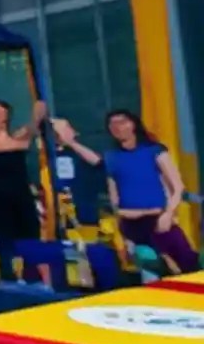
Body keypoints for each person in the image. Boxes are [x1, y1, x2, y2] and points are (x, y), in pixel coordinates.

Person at [53, 111, 199, 274]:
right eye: (112, 124)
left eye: (122, 122)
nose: (117, 127)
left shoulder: (154, 151)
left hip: (158, 219)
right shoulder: (112, 157)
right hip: (130, 223)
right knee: (149, 269)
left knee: (187, 263)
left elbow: (177, 186)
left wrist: (168, 214)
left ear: (133, 125)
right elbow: (104, 173)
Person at [0, 99, 52, 286]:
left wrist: (37, 114)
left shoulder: (18, 138)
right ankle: (9, 280)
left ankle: (38, 281)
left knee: (30, 237)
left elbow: (32, 129)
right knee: (4, 240)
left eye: (1, 113)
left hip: (22, 195)